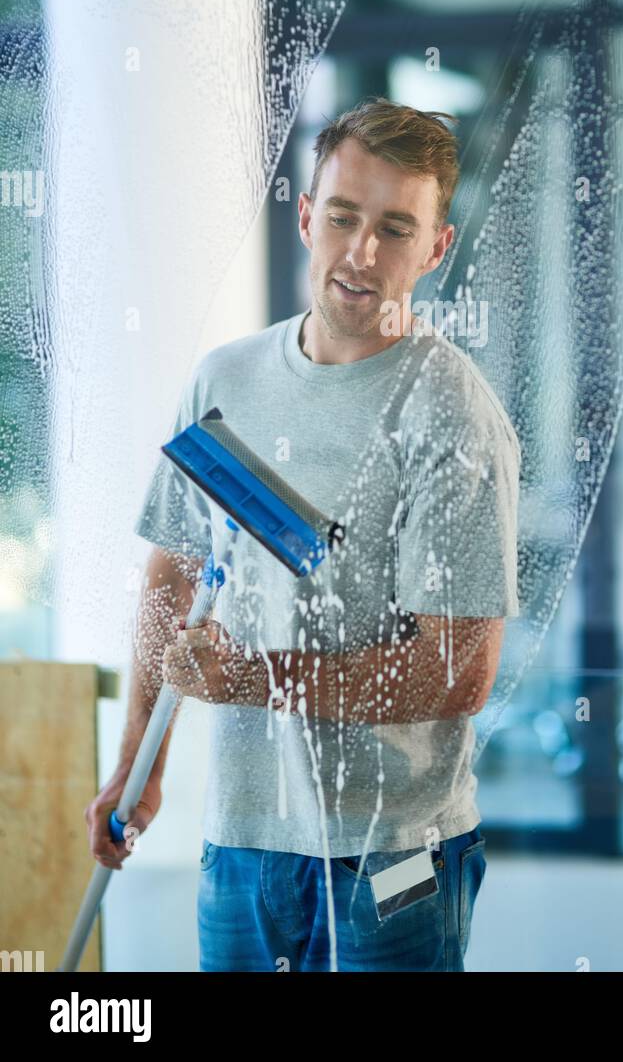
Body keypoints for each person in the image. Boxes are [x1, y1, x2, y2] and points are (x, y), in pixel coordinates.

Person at [85, 97, 521, 972]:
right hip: (242, 838)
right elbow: (174, 573)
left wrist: (256, 678)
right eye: (343, 217)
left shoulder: (451, 414)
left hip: (395, 856)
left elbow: (457, 670)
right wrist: (139, 759)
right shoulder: (225, 382)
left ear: (436, 249)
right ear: (305, 218)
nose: (361, 253)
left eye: (395, 229)